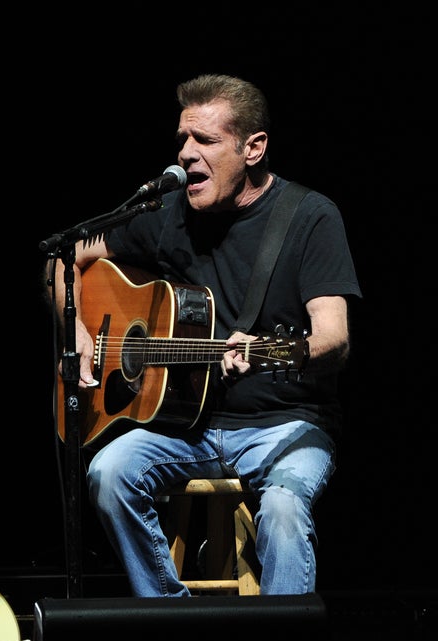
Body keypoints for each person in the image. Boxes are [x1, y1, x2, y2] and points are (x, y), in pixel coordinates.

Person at [48, 73, 361, 596]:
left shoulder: (309, 217)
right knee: (109, 474)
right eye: (182, 141)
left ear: (253, 147)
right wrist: (75, 328)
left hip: (283, 425)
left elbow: (335, 338)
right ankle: (177, 622)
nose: (187, 155)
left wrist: (274, 352)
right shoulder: (168, 214)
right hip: (188, 426)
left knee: (283, 509)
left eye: (206, 141)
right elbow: (64, 259)